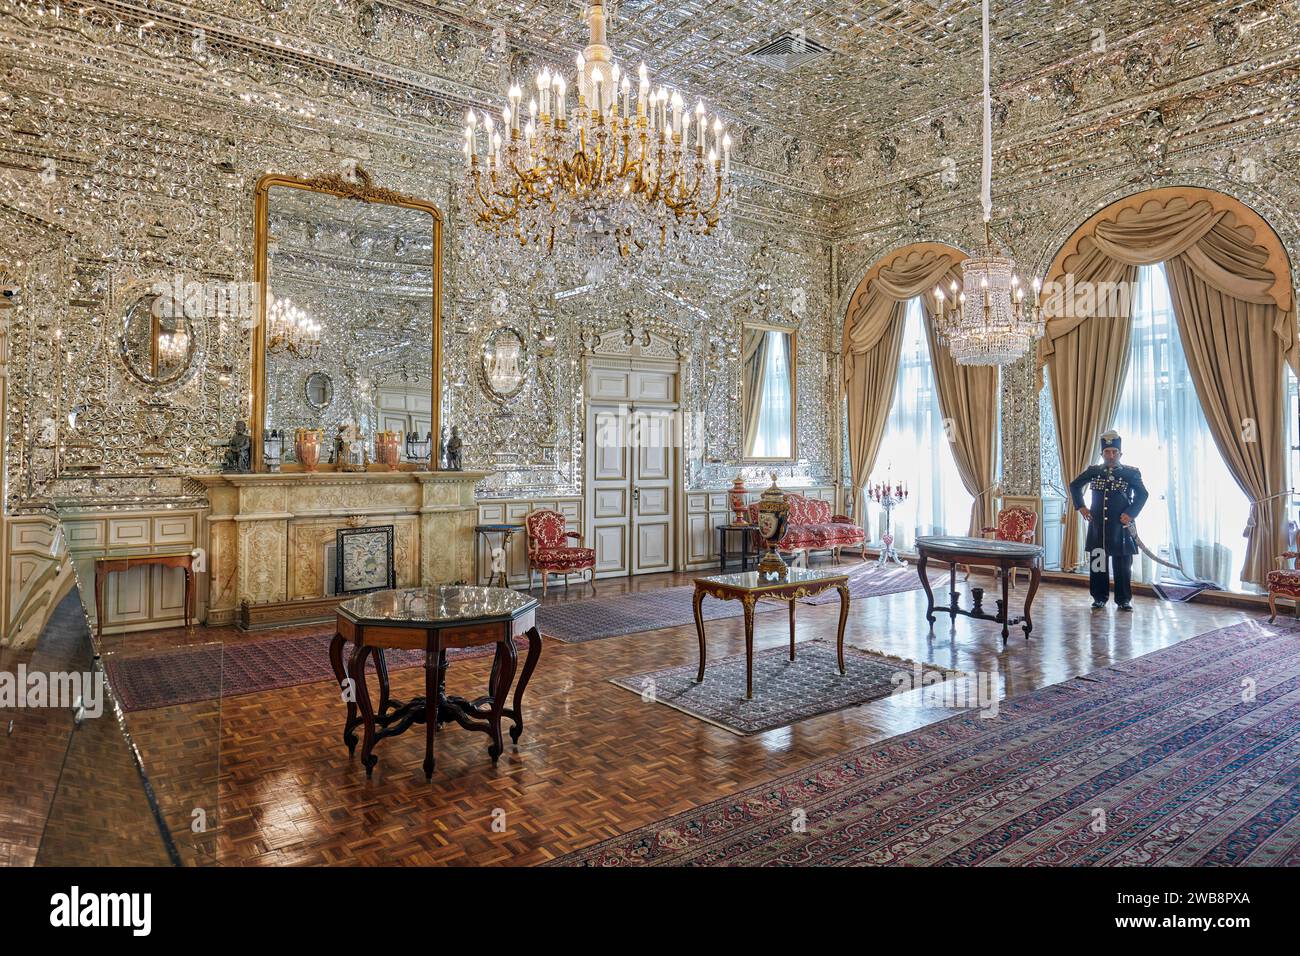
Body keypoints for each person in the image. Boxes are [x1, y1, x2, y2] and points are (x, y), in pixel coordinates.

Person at [1068, 430, 1149, 611]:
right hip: (1098, 528)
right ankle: (1099, 597)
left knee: (1122, 567)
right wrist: (1081, 506)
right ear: (1102, 454)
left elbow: (1143, 494)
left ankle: (1123, 600)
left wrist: (1131, 513)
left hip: (1121, 528)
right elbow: (1074, 485)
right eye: (1107, 452)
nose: (1111, 455)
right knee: (1098, 565)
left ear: (1120, 454)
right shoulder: (1094, 471)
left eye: (1114, 452)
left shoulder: (1131, 473)